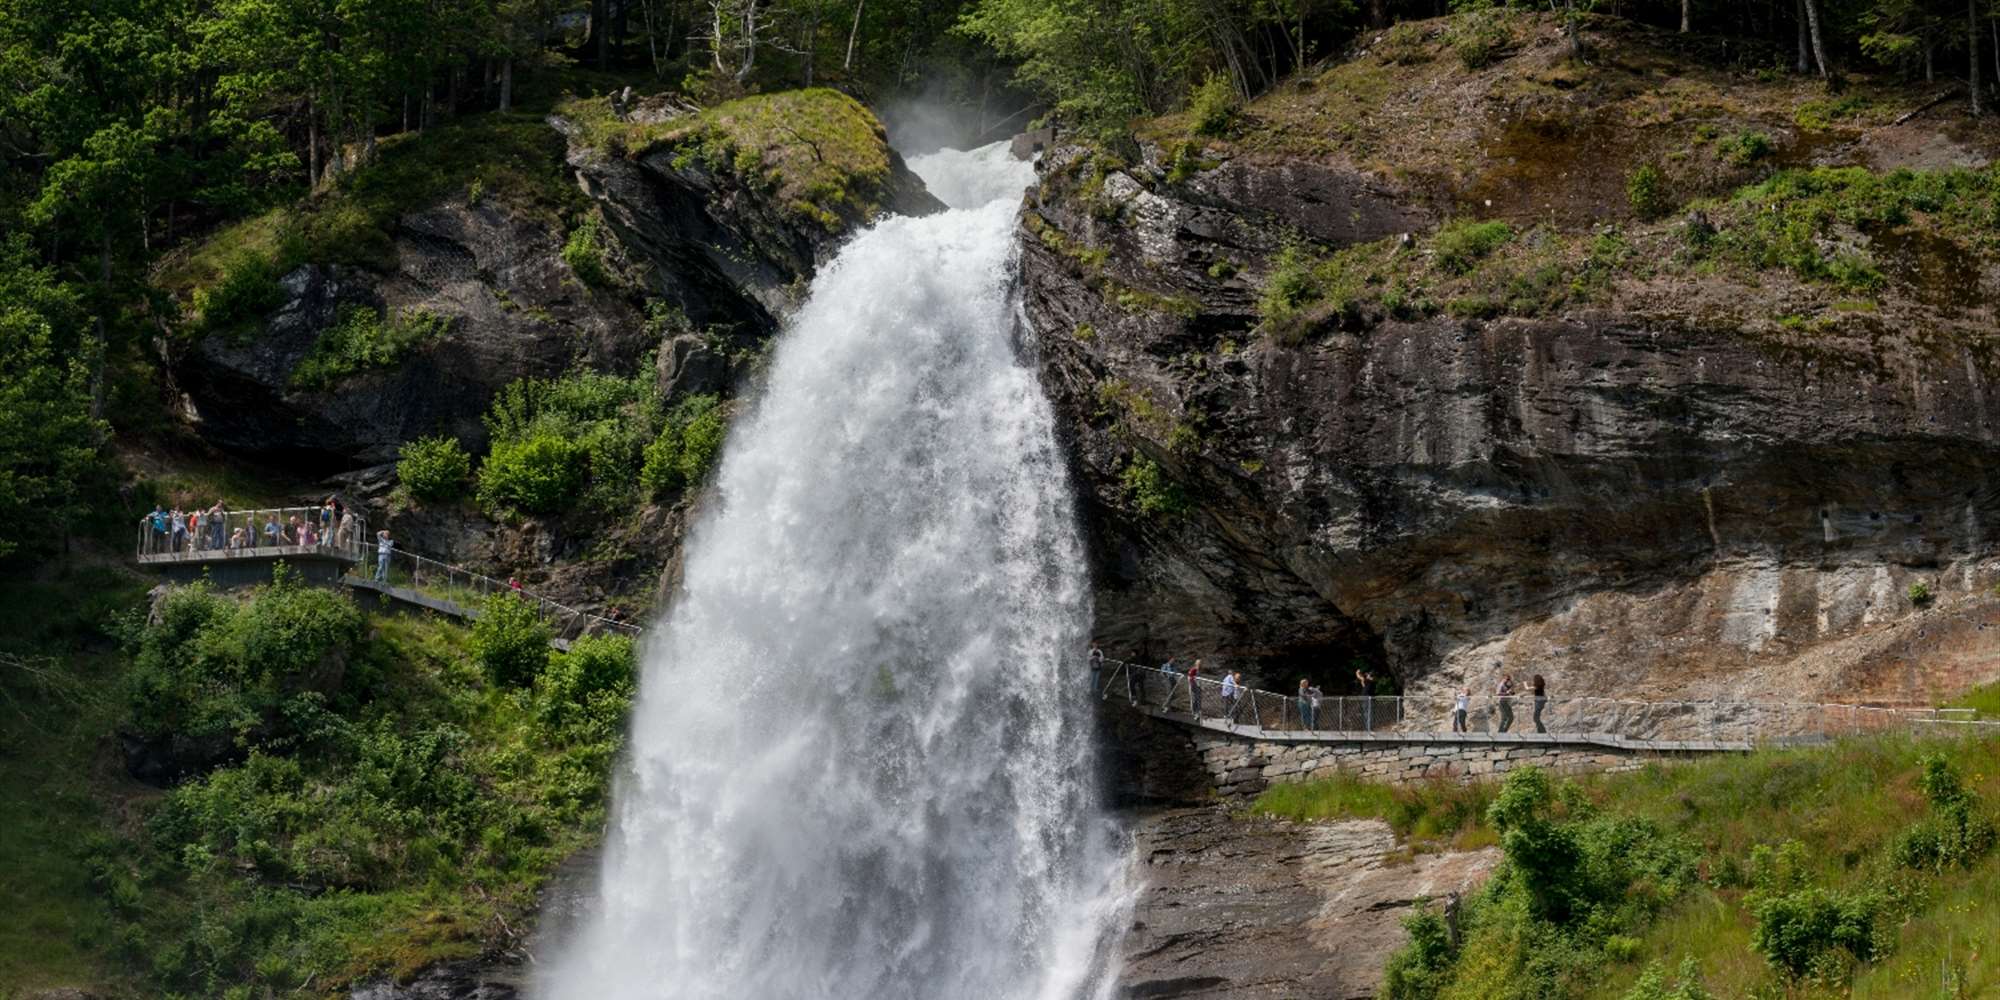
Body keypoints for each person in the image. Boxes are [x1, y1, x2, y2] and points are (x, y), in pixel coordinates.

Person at [1356, 665, 1377, 731]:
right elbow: (1361, 679)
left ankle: (1369, 728)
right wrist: (1357, 672)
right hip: (1365, 698)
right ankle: (1366, 728)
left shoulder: (1371, 680)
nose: (1367, 675)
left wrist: (1358, 673)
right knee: (1365, 713)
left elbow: (1363, 678)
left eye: (1368, 674)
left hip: (1369, 698)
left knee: (1369, 714)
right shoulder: (1366, 680)